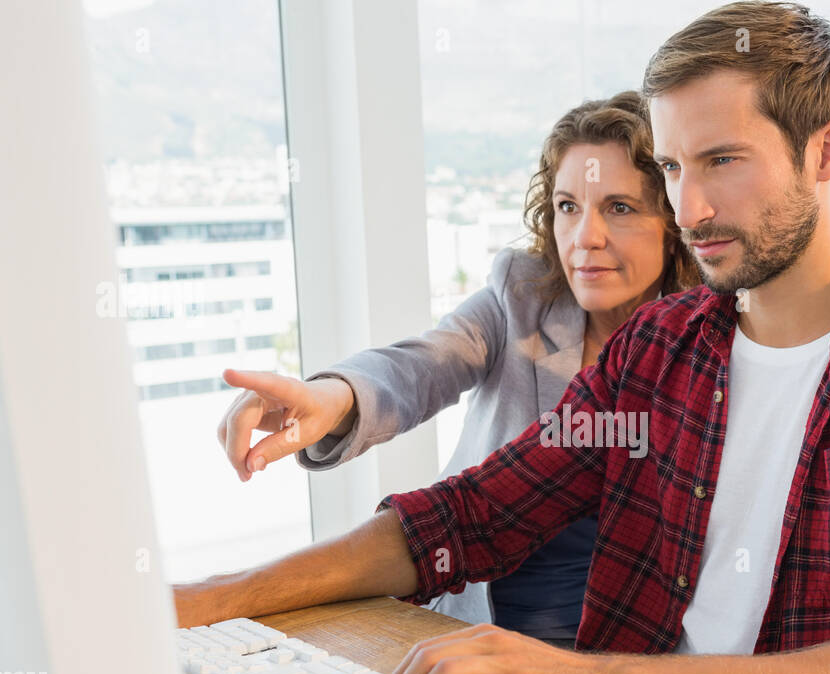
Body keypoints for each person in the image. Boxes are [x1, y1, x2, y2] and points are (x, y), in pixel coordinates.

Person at [176, 1, 830, 674]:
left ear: (827, 152)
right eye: (675, 169)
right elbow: (470, 517)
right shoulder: (663, 345)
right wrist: (210, 601)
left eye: (722, 160)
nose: (694, 208)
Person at [196, 91, 697, 645]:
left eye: (619, 208)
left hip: (620, 656)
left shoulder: (706, 349)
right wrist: (332, 397)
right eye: (567, 206)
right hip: (479, 630)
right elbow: (424, 364)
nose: (584, 237)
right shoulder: (522, 295)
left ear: (675, 220)